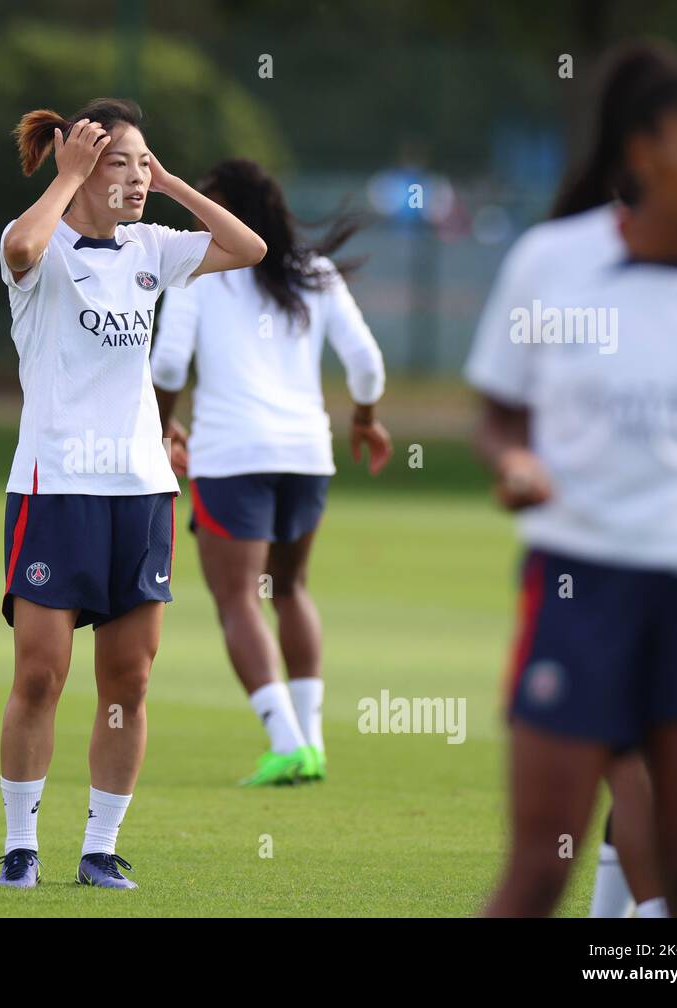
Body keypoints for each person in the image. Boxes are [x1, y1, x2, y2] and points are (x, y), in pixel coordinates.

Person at [467, 41, 677, 916]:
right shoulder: (551, 262)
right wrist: (516, 462)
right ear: (643, 153)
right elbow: (499, 415)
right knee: (537, 868)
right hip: (579, 585)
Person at [0, 98, 266, 888]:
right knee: (41, 674)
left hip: (141, 490)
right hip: (53, 490)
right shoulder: (39, 244)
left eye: (142, 163)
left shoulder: (154, 246)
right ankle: (20, 845)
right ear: (78, 167)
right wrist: (66, 177)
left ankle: (101, 847)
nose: (135, 179)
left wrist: (173, 182)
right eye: (121, 164)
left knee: (131, 681)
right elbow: (20, 246)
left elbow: (247, 247)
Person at [150, 158, 391, 786]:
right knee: (291, 590)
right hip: (307, 453)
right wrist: (364, 418)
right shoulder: (317, 272)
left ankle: (285, 742)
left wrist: (158, 426)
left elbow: (170, 365)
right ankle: (312, 741)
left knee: (237, 600)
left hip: (233, 455)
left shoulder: (197, 271)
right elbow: (366, 363)